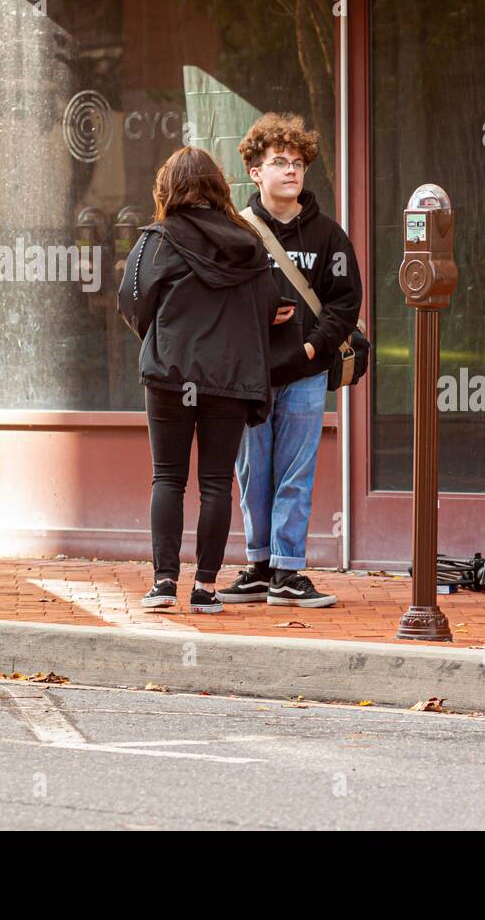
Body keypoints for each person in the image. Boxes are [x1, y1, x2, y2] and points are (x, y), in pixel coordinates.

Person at [117, 146, 296, 614]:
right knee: (217, 483)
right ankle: (207, 588)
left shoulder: (157, 240)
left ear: (166, 188)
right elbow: (270, 306)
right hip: (230, 380)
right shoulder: (248, 242)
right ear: (219, 186)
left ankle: (162, 584)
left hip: (170, 376)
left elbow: (130, 301)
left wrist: (163, 336)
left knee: (168, 479)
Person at [217, 112, 362, 608]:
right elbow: (218, 299)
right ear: (255, 171)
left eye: (298, 162)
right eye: (279, 161)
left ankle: (288, 571)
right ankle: (258, 566)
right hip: (250, 376)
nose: (291, 170)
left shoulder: (328, 236)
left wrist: (310, 348)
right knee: (252, 471)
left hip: (304, 373)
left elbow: (345, 303)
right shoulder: (236, 232)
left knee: (295, 473)